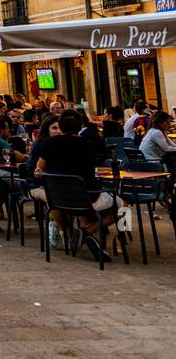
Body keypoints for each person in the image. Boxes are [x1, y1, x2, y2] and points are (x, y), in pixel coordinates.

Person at [34, 109, 116, 262]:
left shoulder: (48, 143)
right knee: (121, 206)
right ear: (79, 126)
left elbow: (39, 167)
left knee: (85, 199)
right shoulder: (87, 144)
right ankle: (87, 231)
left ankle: (87, 236)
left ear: (61, 126)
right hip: (85, 197)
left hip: (57, 199)